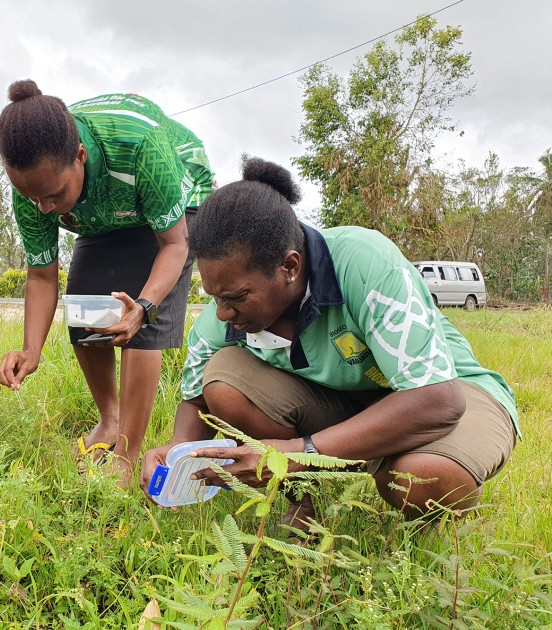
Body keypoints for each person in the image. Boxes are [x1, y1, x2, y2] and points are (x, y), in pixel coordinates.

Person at [140, 156, 518, 526]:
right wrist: (178, 454)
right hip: (349, 405)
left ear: (289, 266)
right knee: (222, 378)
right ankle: (306, 499)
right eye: (214, 296)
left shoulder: (364, 262)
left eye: (237, 298)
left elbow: (440, 400)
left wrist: (299, 452)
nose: (222, 312)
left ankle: (386, 465)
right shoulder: (224, 310)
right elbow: (197, 400)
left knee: (418, 478)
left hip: (452, 394)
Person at [0, 81, 215, 484]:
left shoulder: (140, 144)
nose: (43, 208)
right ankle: (110, 421)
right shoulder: (35, 193)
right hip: (104, 213)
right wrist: (31, 349)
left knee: (140, 325)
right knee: (85, 310)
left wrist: (143, 309)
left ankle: (127, 456)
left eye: (53, 194)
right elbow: (42, 275)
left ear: (79, 157)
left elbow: (174, 245)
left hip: (174, 204)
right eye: (31, 196)